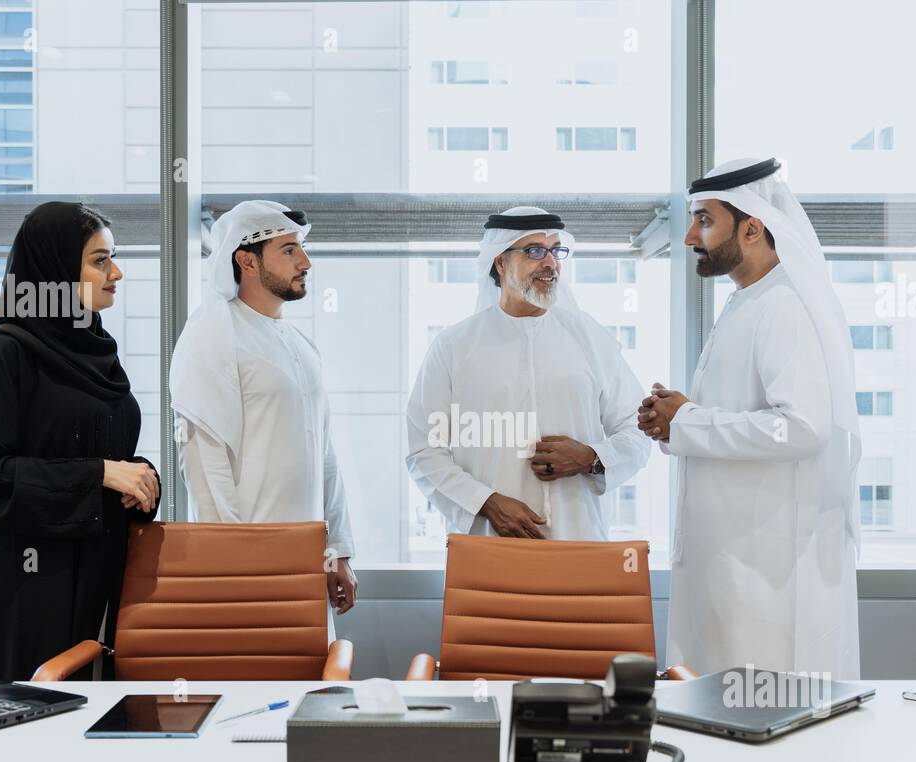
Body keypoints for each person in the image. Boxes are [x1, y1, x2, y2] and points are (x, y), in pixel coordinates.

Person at [639, 158, 862, 678]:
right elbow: (740, 415)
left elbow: (803, 426)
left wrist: (688, 421)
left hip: (770, 574)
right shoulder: (748, 302)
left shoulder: (785, 306)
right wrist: (674, 420)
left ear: (753, 227)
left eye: (705, 220)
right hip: (734, 563)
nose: (691, 235)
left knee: (765, 725)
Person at [0, 201, 160, 681]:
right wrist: (102, 474)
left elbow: (107, 453)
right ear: (54, 270)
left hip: (105, 577)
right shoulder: (5, 352)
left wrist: (138, 476)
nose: (117, 272)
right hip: (35, 586)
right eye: (99, 260)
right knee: (36, 734)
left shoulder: (96, 351)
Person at [406, 206, 650, 540]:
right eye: (535, 251)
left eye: (555, 251)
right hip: (488, 542)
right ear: (501, 261)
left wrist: (592, 458)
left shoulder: (590, 338)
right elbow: (424, 451)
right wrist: (486, 503)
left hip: (578, 538)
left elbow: (637, 432)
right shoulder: (453, 345)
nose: (550, 263)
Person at [170, 200, 357, 619]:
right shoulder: (210, 336)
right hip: (246, 570)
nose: (305, 262)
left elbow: (324, 456)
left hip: (307, 564)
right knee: (250, 681)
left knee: (311, 682)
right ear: (246, 261)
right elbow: (203, 464)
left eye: (302, 249)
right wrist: (239, 564)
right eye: (289, 251)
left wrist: (339, 550)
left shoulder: (300, 345)